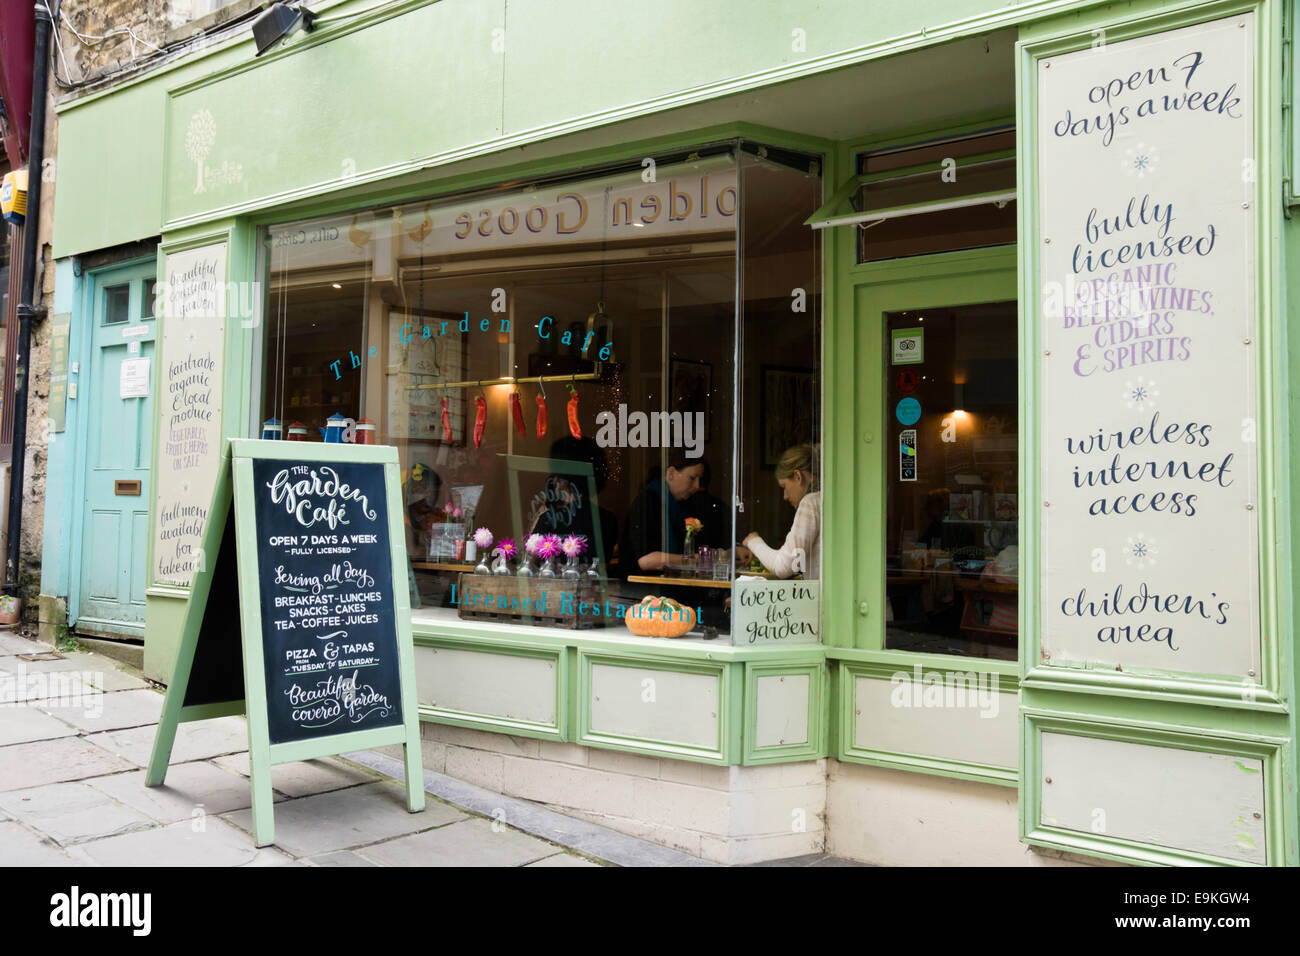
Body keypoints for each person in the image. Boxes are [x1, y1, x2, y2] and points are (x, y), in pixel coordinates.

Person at [742, 443, 820, 579]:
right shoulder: (827, 498)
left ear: (797, 476)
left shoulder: (811, 502)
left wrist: (753, 541)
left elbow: (784, 566)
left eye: (784, 486)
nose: (784, 496)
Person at [621, 454, 706, 575]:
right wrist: (693, 561)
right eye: (692, 478)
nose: (697, 486)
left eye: (699, 480)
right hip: (641, 588)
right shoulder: (647, 501)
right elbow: (646, 560)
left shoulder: (682, 506)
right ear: (671, 473)